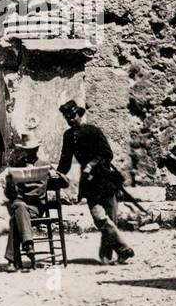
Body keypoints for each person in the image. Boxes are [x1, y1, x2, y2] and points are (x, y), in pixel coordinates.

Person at [55, 99, 134, 264]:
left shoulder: (93, 131)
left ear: (79, 115)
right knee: (100, 219)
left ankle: (107, 257)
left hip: (106, 180)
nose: (70, 120)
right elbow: (65, 161)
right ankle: (124, 249)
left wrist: (91, 165)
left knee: (111, 220)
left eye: (72, 116)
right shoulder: (68, 137)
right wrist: (56, 174)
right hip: (89, 184)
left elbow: (107, 153)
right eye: (67, 117)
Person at [2, 136, 49, 270]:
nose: (30, 153)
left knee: (15, 216)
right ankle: (28, 245)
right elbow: (8, 195)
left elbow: (64, 182)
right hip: (20, 204)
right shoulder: (17, 166)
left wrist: (54, 175)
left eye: (33, 150)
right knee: (18, 206)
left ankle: (12, 260)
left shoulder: (44, 164)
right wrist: (10, 182)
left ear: (37, 149)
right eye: (27, 150)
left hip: (35, 207)